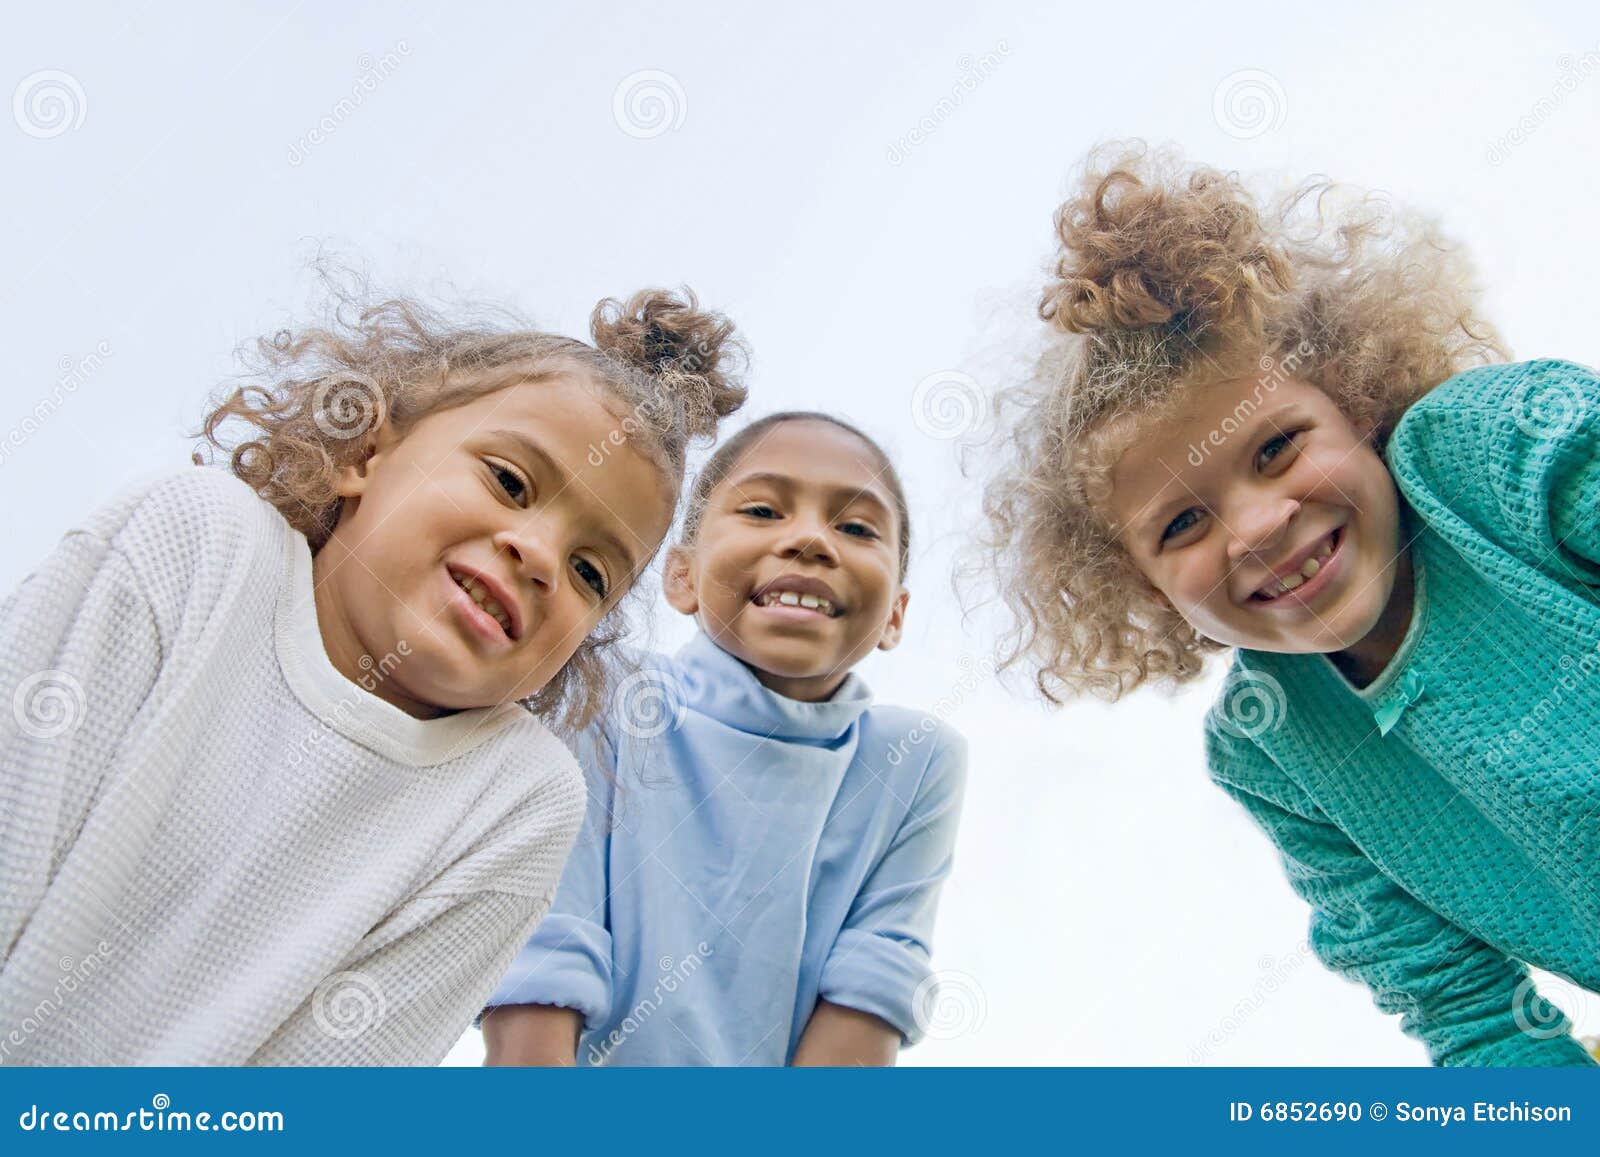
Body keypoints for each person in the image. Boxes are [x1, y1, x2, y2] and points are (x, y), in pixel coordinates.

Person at [0, 280, 746, 1064]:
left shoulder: (517, 797)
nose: (538, 556)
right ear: (364, 452)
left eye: (591, 573)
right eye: (509, 481)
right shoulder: (201, 545)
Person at [977, 143, 1599, 1065]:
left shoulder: (1492, 456)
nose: (1260, 526)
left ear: (1356, 404)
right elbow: (1470, 1014)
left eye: (1276, 449)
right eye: (1182, 523)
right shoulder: (1270, 747)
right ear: (1146, 587)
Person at [481, 412, 966, 1065]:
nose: (810, 539)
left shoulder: (915, 761)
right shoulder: (603, 691)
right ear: (681, 577)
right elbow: (546, 950)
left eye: (855, 527)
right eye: (763, 510)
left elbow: (875, 983)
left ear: (895, 616)